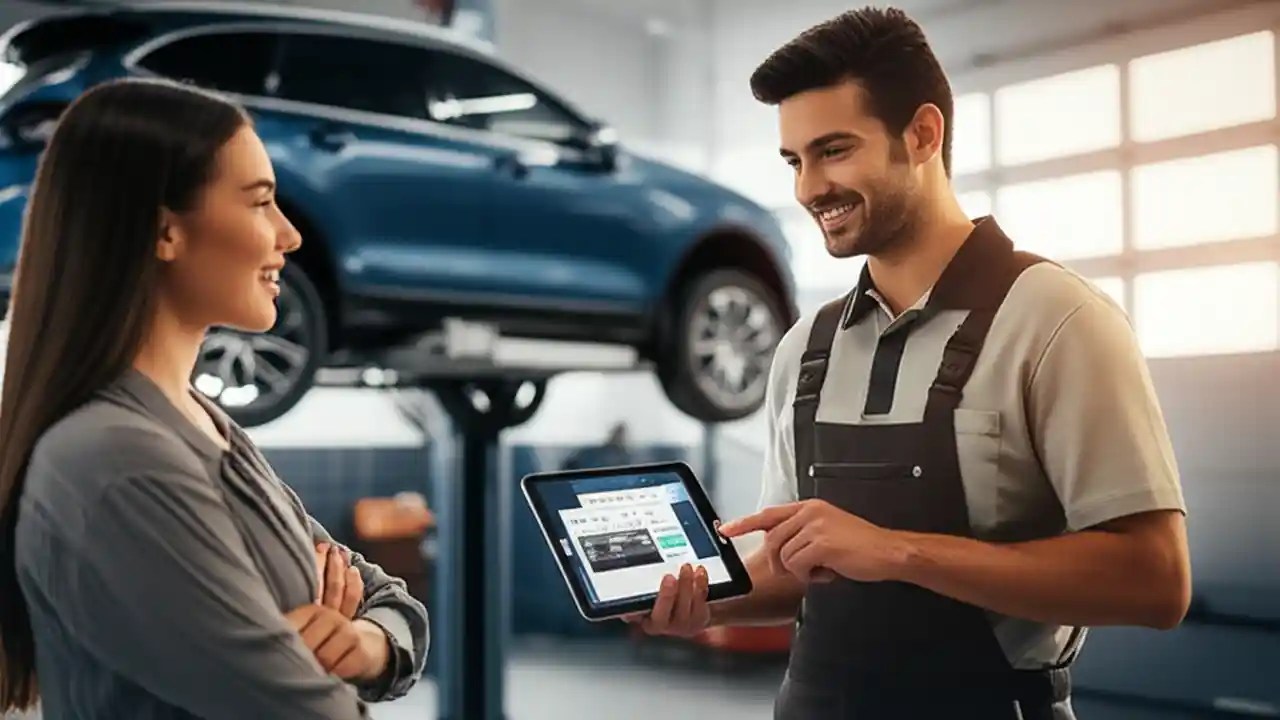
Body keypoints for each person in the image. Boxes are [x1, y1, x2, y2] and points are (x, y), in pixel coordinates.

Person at [629, 7, 1191, 719]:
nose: (808, 189)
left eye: (834, 151)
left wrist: (896, 552)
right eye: (795, 161)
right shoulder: (805, 348)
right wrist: (702, 603)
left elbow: (1156, 581)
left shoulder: (1059, 321)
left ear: (923, 134)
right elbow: (790, 566)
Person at [0, 78, 428, 719]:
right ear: (165, 231)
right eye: (260, 204)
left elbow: (386, 597)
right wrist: (315, 669)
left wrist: (365, 645)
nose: (290, 236)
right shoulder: (117, 460)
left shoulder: (204, 426)